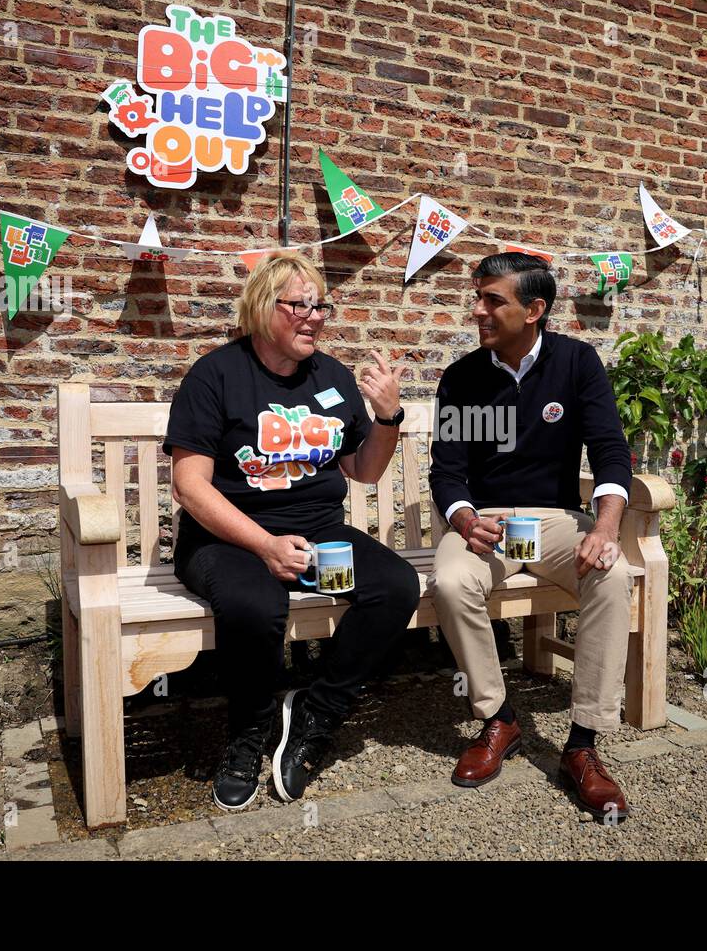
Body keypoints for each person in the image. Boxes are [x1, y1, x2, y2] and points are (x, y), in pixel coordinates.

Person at [163, 253, 419, 811]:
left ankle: (313, 715)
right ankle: (248, 734)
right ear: (262, 307)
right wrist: (262, 544)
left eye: (320, 304)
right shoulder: (216, 375)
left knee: (397, 586)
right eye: (299, 305)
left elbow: (364, 471)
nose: (314, 316)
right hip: (227, 541)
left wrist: (388, 417)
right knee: (257, 606)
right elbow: (190, 485)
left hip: (318, 535)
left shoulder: (331, 377)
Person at [428, 252, 636, 820]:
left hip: (553, 519)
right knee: (449, 581)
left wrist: (608, 526)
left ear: (534, 309)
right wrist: (466, 519)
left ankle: (583, 743)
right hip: (486, 523)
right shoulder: (463, 377)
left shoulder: (576, 364)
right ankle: (500, 719)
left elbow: (612, 452)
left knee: (612, 573)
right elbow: (446, 471)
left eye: (493, 300)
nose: (479, 311)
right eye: (478, 297)